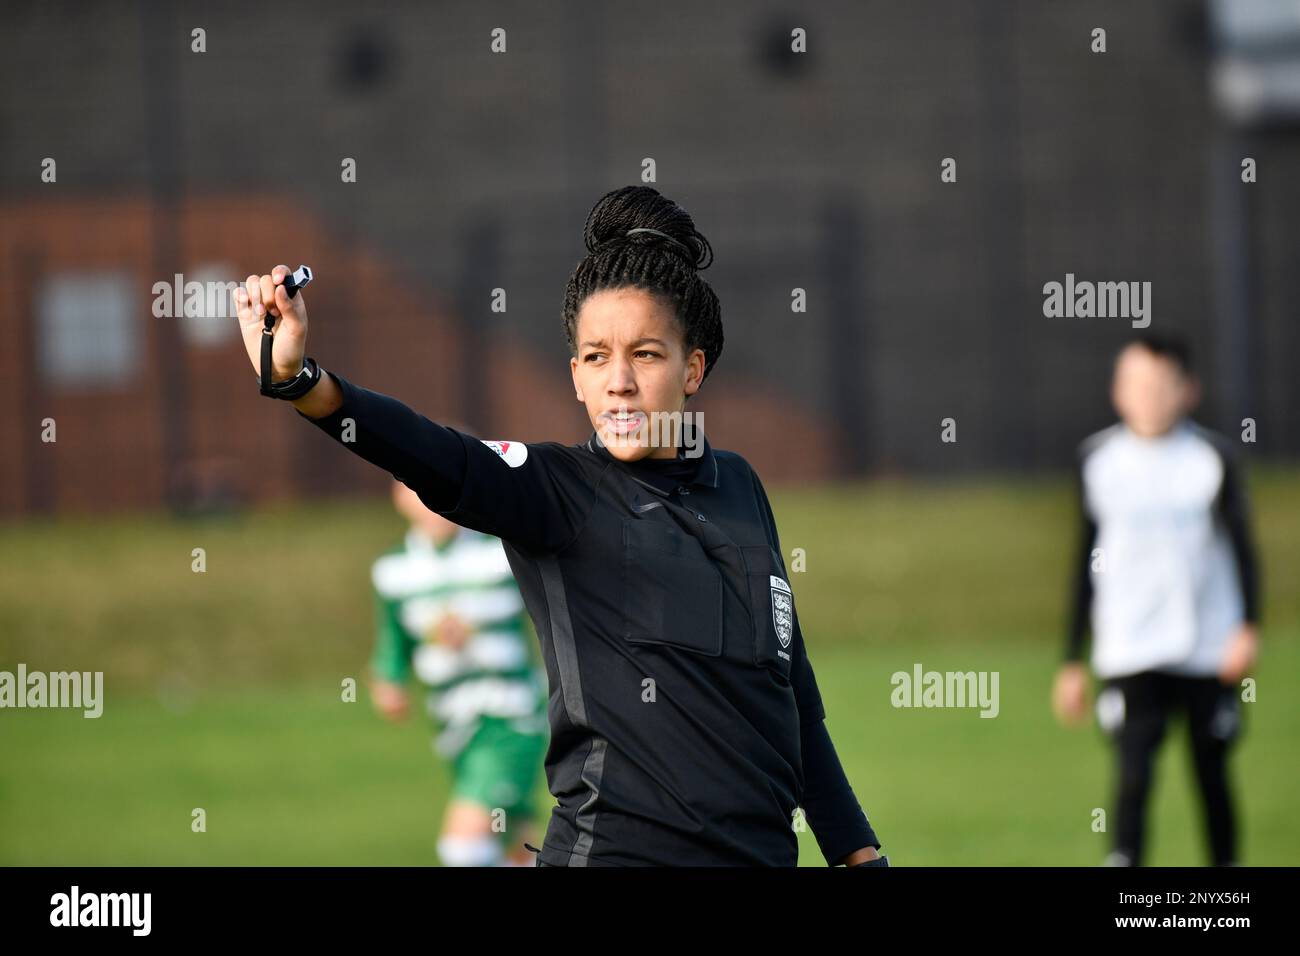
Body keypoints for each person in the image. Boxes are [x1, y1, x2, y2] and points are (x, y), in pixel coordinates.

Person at [235, 184, 886, 867]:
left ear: (692, 369)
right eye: (597, 358)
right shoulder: (558, 493)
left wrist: (858, 853)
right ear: (575, 377)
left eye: (647, 354)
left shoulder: (743, 489)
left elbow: (794, 701)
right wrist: (301, 381)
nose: (620, 381)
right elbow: (436, 456)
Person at [1052, 335, 1260, 867]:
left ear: (1188, 390)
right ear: (1118, 392)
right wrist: (1072, 659)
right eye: (1136, 385)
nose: (1148, 397)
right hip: (1130, 646)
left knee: (1212, 773)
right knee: (1133, 774)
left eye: (1161, 385)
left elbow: (1242, 547)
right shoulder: (1099, 460)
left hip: (1206, 645)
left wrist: (1248, 627)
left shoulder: (1210, 458)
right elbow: (1086, 560)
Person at [370, 477, 548, 867]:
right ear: (398, 498)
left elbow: (555, 614)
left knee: (462, 846)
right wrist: (389, 680)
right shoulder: (393, 571)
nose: (429, 501)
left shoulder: (501, 552)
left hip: (510, 717)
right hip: (453, 724)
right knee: (519, 845)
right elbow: (393, 641)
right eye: (416, 489)